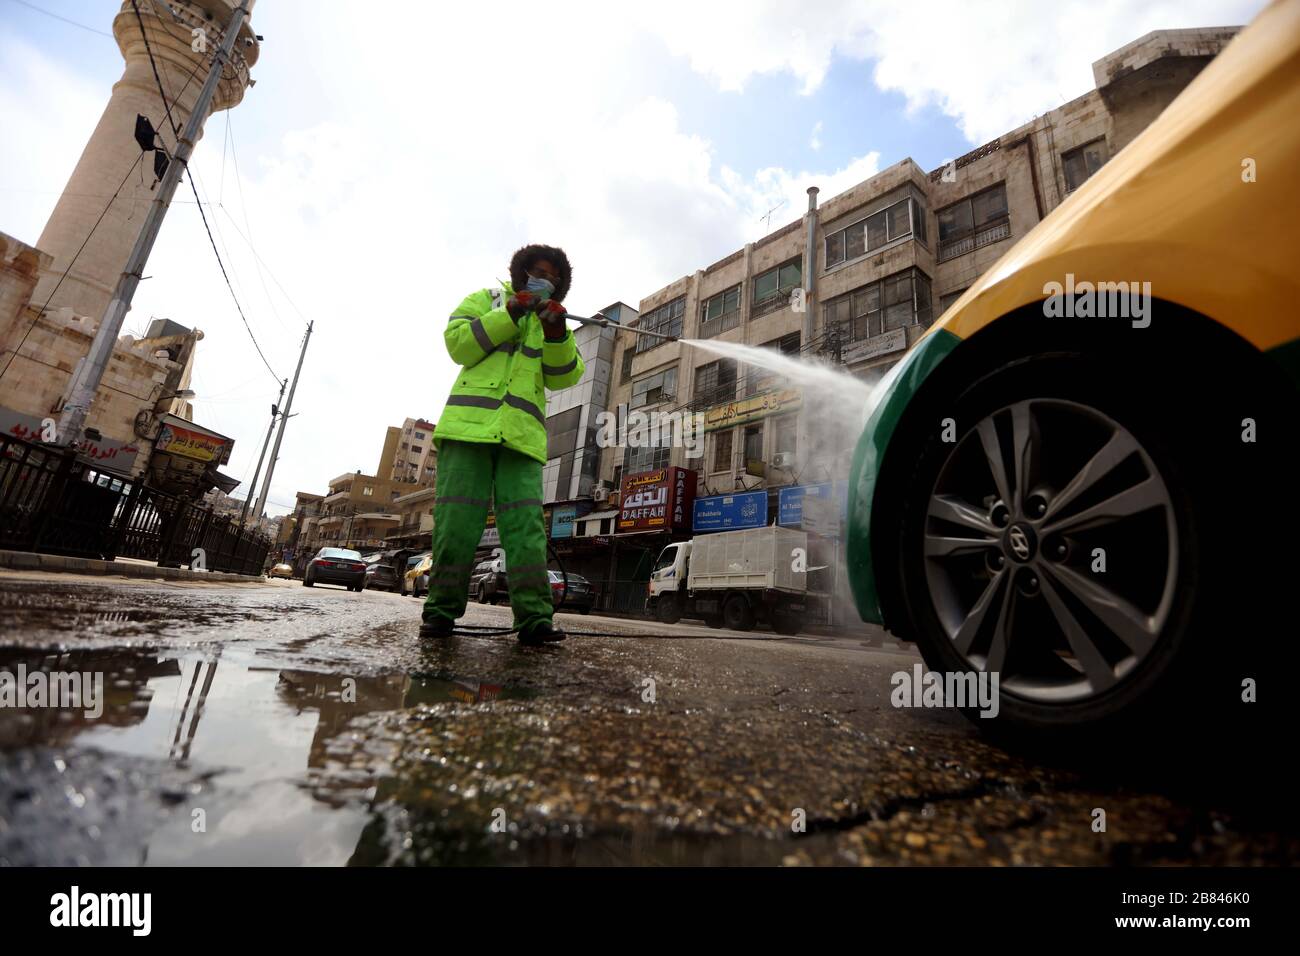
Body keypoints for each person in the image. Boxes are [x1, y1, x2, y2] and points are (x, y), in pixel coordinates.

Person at [419, 244, 585, 645]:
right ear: (521, 272)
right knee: (456, 527)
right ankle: (439, 614)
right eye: (537, 272)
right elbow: (459, 343)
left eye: (553, 278)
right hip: (467, 431)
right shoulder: (486, 300)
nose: (544, 280)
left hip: (521, 440)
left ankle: (534, 621)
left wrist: (557, 333)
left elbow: (565, 376)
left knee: (526, 532)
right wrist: (511, 311)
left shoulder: (553, 322)